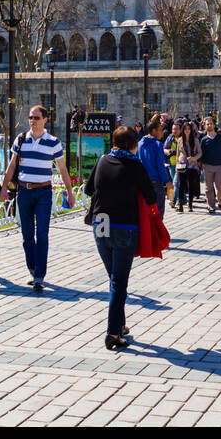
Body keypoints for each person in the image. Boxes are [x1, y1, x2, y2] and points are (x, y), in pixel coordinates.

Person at [84, 124, 157, 349]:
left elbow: (88, 190)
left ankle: (120, 323)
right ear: (133, 145)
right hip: (124, 226)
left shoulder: (103, 160)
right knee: (118, 281)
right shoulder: (135, 166)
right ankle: (113, 333)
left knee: (114, 279)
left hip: (100, 224)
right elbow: (151, 196)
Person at [1, 105, 74, 293]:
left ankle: (40, 275)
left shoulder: (53, 142)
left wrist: (69, 191)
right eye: (30, 117)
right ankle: (33, 269)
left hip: (43, 192)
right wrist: (3, 188)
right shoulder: (21, 139)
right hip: (24, 192)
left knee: (41, 235)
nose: (33, 121)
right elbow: (11, 165)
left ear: (45, 120)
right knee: (26, 237)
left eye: (36, 118)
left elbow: (63, 168)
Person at [137, 115, 169, 218]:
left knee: (144, 212)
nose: (162, 132)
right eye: (160, 130)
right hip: (156, 183)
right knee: (158, 213)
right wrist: (167, 181)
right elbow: (160, 166)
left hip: (142, 183)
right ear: (154, 131)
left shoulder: (139, 144)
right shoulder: (157, 144)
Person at [199, 117, 221, 213]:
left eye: (211, 123)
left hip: (219, 165)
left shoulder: (220, 137)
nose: (209, 125)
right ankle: (211, 205)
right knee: (208, 188)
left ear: (214, 125)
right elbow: (201, 153)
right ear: (204, 126)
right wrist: (202, 164)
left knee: (220, 187)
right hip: (208, 166)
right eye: (207, 124)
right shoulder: (203, 140)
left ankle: (220, 201)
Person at [173, 120, 202, 212]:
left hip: (192, 165)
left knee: (191, 185)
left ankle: (190, 205)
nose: (187, 130)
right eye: (185, 129)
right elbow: (178, 153)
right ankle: (180, 205)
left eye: (188, 129)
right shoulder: (180, 140)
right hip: (182, 164)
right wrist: (177, 165)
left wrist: (194, 158)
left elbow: (200, 152)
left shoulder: (195, 140)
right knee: (181, 184)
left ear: (191, 130)